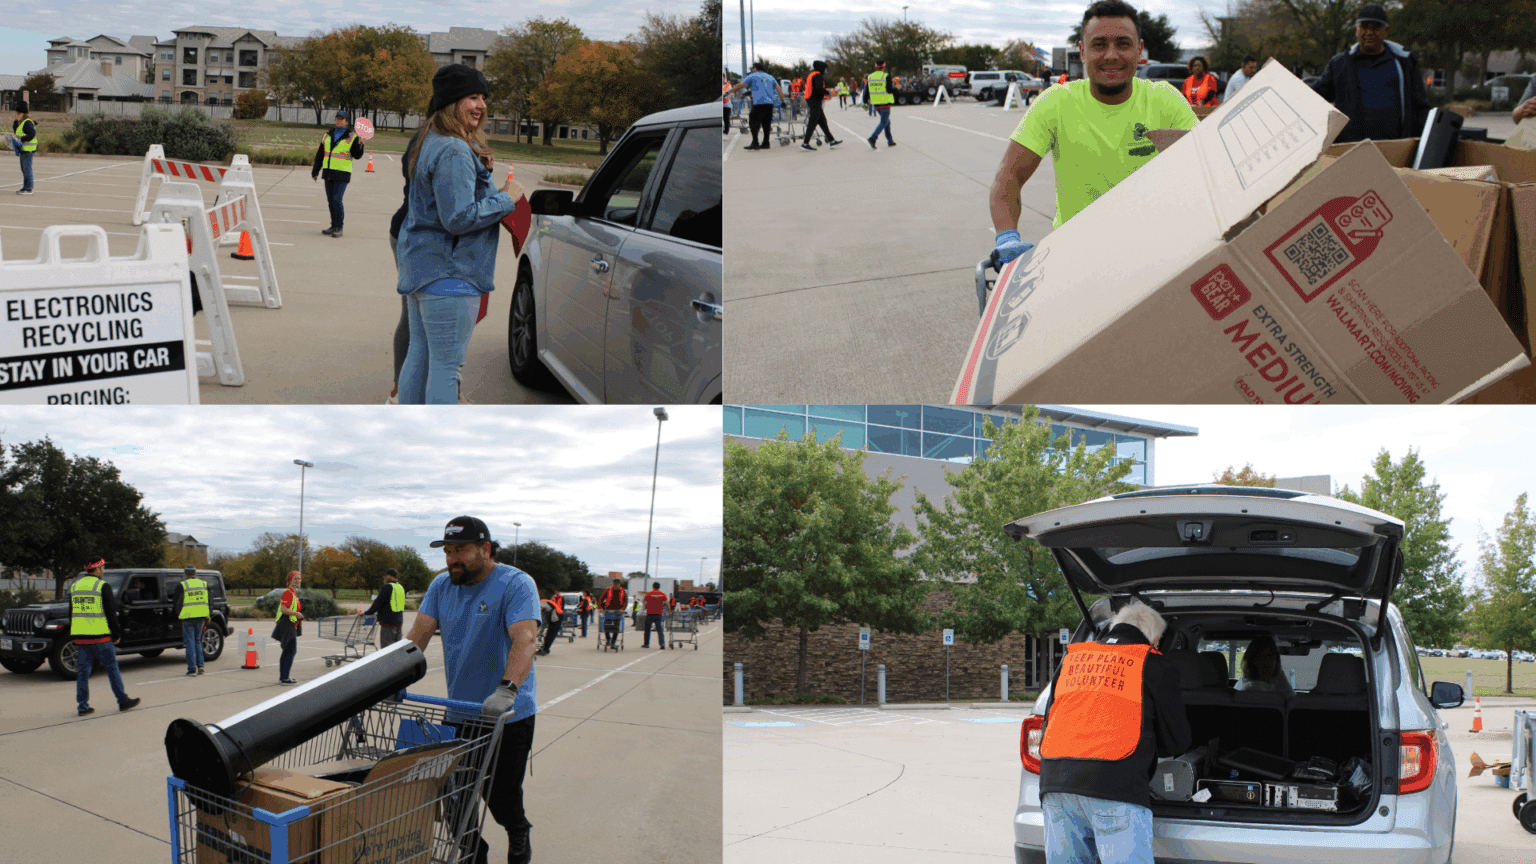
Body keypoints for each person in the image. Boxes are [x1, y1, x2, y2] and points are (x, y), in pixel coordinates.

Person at [988, 0, 1197, 267]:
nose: (1111, 55)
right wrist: (1007, 237)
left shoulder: (1164, 100)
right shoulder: (1057, 103)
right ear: (1083, 51)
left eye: (1123, 43)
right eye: (1099, 45)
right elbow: (1009, 176)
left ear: (1139, 50)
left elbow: (1204, 165)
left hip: (1155, 255)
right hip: (1078, 258)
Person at [406, 515, 538, 864]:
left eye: (461, 550)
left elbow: (525, 639)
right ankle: (473, 853)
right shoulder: (441, 587)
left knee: (501, 796)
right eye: (448, 551)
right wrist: (386, 678)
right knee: (454, 795)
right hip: (461, 713)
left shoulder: (515, 584)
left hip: (506, 712)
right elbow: (415, 640)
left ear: (485, 549)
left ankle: (518, 830)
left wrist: (507, 689)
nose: (452, 558)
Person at [396, 64, 525, 405]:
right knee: (446, 369)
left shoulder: (432, 140)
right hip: (450, 276)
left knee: (420, 358)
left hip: (425, 271)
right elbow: (458, 218)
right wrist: (505, 199)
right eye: (471, 97)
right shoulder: (453, 150)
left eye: (482, 97)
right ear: (451, 102)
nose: (480, 105)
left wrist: (487, 185)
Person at [1038, 600, 1189, 864]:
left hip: (1056, 785)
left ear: (1113, 626)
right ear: (1153, 639)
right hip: (1114, 787)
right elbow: (1176, 742)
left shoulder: (1073, 657)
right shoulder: (1152, 663)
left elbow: (1049, 721)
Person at [1311, 4, 1431, 144]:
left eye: (1376, 27)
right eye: (1364, 27)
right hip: (1351, 149)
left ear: (1386, 30)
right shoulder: (1339, 64)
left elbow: (1420, 106)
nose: (1369, 32)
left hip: (1395, 149)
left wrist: (1424, 142)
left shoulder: (1405, 62)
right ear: (1356, 29)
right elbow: (1315, 97)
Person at [70, 557, 140, 716]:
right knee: (112, 668)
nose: (103, 570)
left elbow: (71, 612)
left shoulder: (75, 586)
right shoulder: (102, 586)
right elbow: (110, 612)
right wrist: (116, 634)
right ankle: (122, 700)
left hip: (81, 637)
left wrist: (73, 633)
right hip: (100, 636)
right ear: (97, 569)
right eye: (102, 567)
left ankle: (82, 706)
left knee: (83, 671)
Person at [311, 111, 365, 237]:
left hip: (342, 173)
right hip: (328, 172)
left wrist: (361, 143)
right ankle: (333, 225)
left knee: (336, 200)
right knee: (330, 201)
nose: (338, 121)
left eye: (342, 119)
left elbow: (357, 155)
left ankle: (339, 227)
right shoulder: (327, 135)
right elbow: (320, 155)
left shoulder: (352, 137)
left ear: (346, 121)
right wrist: (315, 171)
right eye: (337, 119)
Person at [728, 63, 788, 151]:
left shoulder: (752, 76)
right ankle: (766, 143)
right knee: (766, 123)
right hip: (769, 103)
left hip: (759, 103)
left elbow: (740, 85)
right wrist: (782, 101)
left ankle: (755, 142)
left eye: (753, 68)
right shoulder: (770, 77)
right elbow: (780, 90)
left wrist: (728, 92)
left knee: (753, 121)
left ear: (755, 68)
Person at [171, 565, 209, 676]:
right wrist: (208, 616)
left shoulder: (183, 585)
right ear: (195, 573)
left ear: (186, 574)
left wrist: (178, 615)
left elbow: (177, 603)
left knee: (190, 643)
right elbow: (209, 601)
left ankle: (192, 669)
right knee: (198, 641)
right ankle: (201, 666)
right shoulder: (204, 584)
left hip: (188, 617)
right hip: (202, 616)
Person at [800, 61, 841, 151]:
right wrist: (828, 93)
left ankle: (832, 140)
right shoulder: (818, 76)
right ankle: (805, 143)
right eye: (825, 68)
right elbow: (819, 88)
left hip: (812, 100)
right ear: (821, 68)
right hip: (814, 101)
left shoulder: (812, 75)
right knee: (813, 122)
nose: (825, 70)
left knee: (822, 121)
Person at [273, 571, 304, 685]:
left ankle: (284, 677)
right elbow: (284, 609)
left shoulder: (293, 593)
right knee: (291, 651)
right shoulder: (288, 593)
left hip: (290, 625)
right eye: (295, 578)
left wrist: (298, 620)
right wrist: (297, 614)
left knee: (287, 651)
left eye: (299, 578)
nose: (298, 580)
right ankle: (285, 678)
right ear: (290, 580)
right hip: (287, 625)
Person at [364, 567, 406, 649]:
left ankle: (389, 662)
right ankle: (397, 661)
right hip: (399, 622)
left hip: (388, 622)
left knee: (387, 647)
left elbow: (378, 602)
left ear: (391, 576)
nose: (385, 578)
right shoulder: (400, 587)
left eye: (386, 575)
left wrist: (368, 612)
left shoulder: (388, 587)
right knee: (397, 647)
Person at [867, 60, 897, 149]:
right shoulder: (886, 76)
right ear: (883, 67)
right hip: (885, 102)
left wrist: (865, 101)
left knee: (887, 121)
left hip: (876, 103)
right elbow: (889, 90)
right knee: (884, 121)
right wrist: (896, 87)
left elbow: (867, 90)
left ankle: (890, 141)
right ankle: (873, 137)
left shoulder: (870, 76)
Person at [10, 102, 35, 195]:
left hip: (28, 149)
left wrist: (21, 139)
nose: (16, 115)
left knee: (27, 168)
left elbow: (32, 134)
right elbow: (16, 131)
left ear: (22, 113)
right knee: (24, 169)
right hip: (23, 149)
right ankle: (26, 187)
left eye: (17, 113)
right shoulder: (21, 122)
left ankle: (28, 188)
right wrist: (15, 122)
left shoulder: (27, 122)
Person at [599, 578, 627, 649]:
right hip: (608, 611)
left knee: (616, 627)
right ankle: (608, 640)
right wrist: (600, 608)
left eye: (617, 584)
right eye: (615, 584)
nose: (616, 585)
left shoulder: (623, 591)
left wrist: (622, 609)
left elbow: (625, 601)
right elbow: (601, 599)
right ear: (612, 584)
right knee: (607, 626)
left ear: (619, 584)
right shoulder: (608, 590)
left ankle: (613, 642)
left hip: (618, 611)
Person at [641, 581, 668, 649]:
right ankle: (662, 643)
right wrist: (669, 611)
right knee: (660, 630)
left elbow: (643, 602)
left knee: (647, 629)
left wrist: (646, 606)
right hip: (658, 614)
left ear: (653, 586)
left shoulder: (649, 594)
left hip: (650, 614)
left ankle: (646, 644)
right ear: (659, 587)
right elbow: (667, 603)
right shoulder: (662, 594)